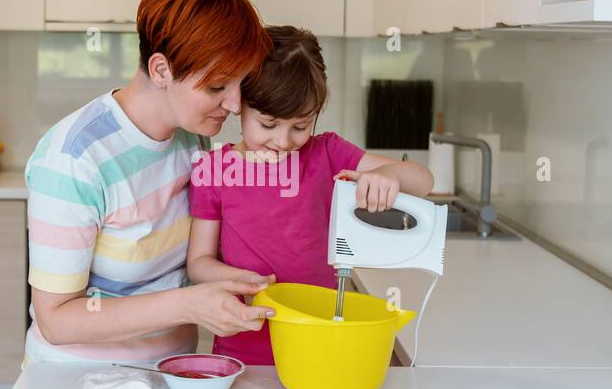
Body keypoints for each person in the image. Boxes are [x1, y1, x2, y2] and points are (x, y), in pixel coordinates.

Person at [24, 0, 276, 363]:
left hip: (172, 370)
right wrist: (188, 305)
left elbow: (187, 261)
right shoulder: (75, 157)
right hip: (80, 381)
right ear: (162, 69)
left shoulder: (190, 135)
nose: (233, 105)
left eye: (239, 85)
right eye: (216, 86)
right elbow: (56, 321)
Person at [186, 25, 434, 365]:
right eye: (268, 124)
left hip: (319, 340)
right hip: (243, 344)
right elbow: (198, 263)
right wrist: (232, 278)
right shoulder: (214, 170)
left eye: (300, 127)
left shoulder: (328, 153)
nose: (284, 141)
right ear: (239, 103)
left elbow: (423, 180)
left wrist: (388, 174)